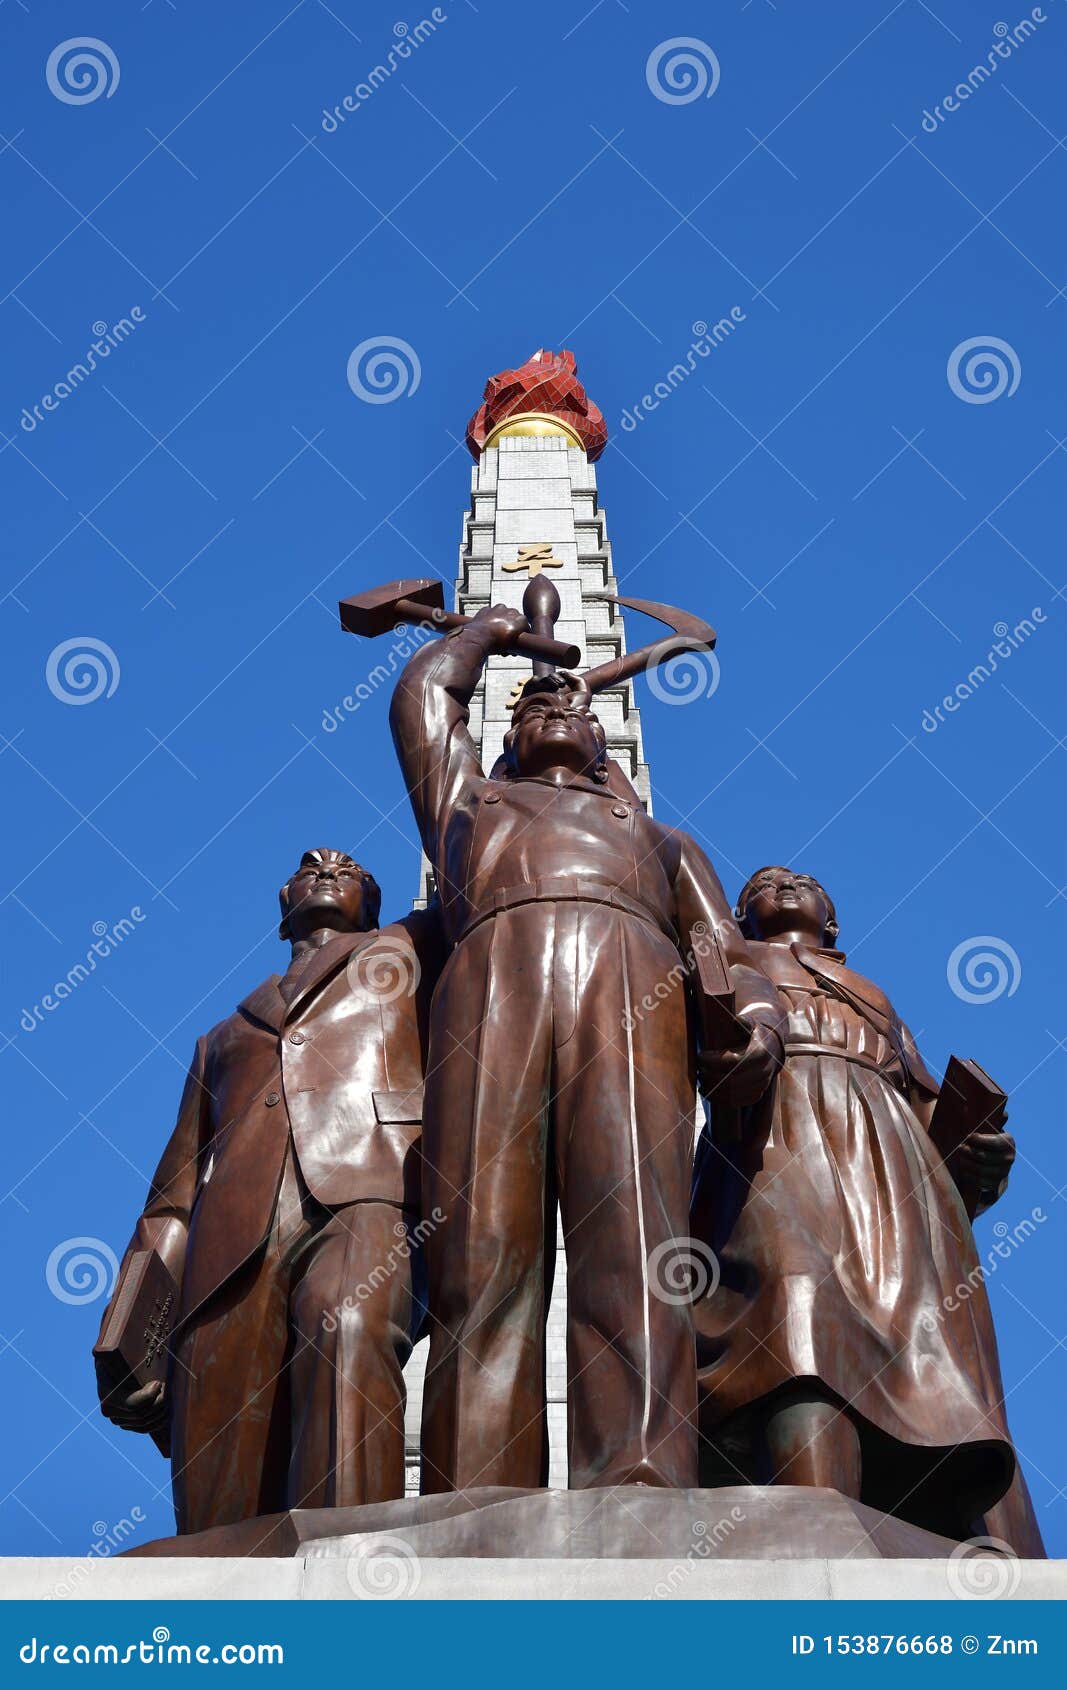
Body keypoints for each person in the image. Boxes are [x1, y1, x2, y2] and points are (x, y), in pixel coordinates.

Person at [389, 606, 785, 1494]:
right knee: (480, 1252)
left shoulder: (658, 839)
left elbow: (724, 949)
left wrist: (756, 1024)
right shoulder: (464, 806)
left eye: (569, 709)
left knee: (635, 1244)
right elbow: (422, 699)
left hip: (633, 1003)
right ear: (503, 742)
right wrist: (483, 636)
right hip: (491, 992)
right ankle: (474, 1489)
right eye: (528, 711)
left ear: (607, 750)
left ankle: (639, 1474)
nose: (552, 710)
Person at [95, 847, 444, 1533]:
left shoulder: (410, 952)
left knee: (344, 1324)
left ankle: (350, 1559)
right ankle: (225, 1594)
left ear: (373, 902)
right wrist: (127, 1328)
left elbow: (468, 857)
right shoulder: (221, 1037)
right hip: (234, 1238)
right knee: (218, 1414)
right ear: (282, 903)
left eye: (348, 867)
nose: (324, 864)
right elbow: (172, 1194)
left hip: (371, 1187)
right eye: (308, 865)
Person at [692, 864, 1039, 1546]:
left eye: (801, 881)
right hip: (777, 1138)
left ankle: (956, 1518)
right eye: (762, 883)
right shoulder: (727, 957)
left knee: (926, 1345)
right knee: (796, 1313)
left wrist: (976, 1151)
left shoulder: (871, 995)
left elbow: (920, 1098)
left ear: (832, 919)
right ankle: (816, 1520)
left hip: (890, 1171)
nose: (783, 884)